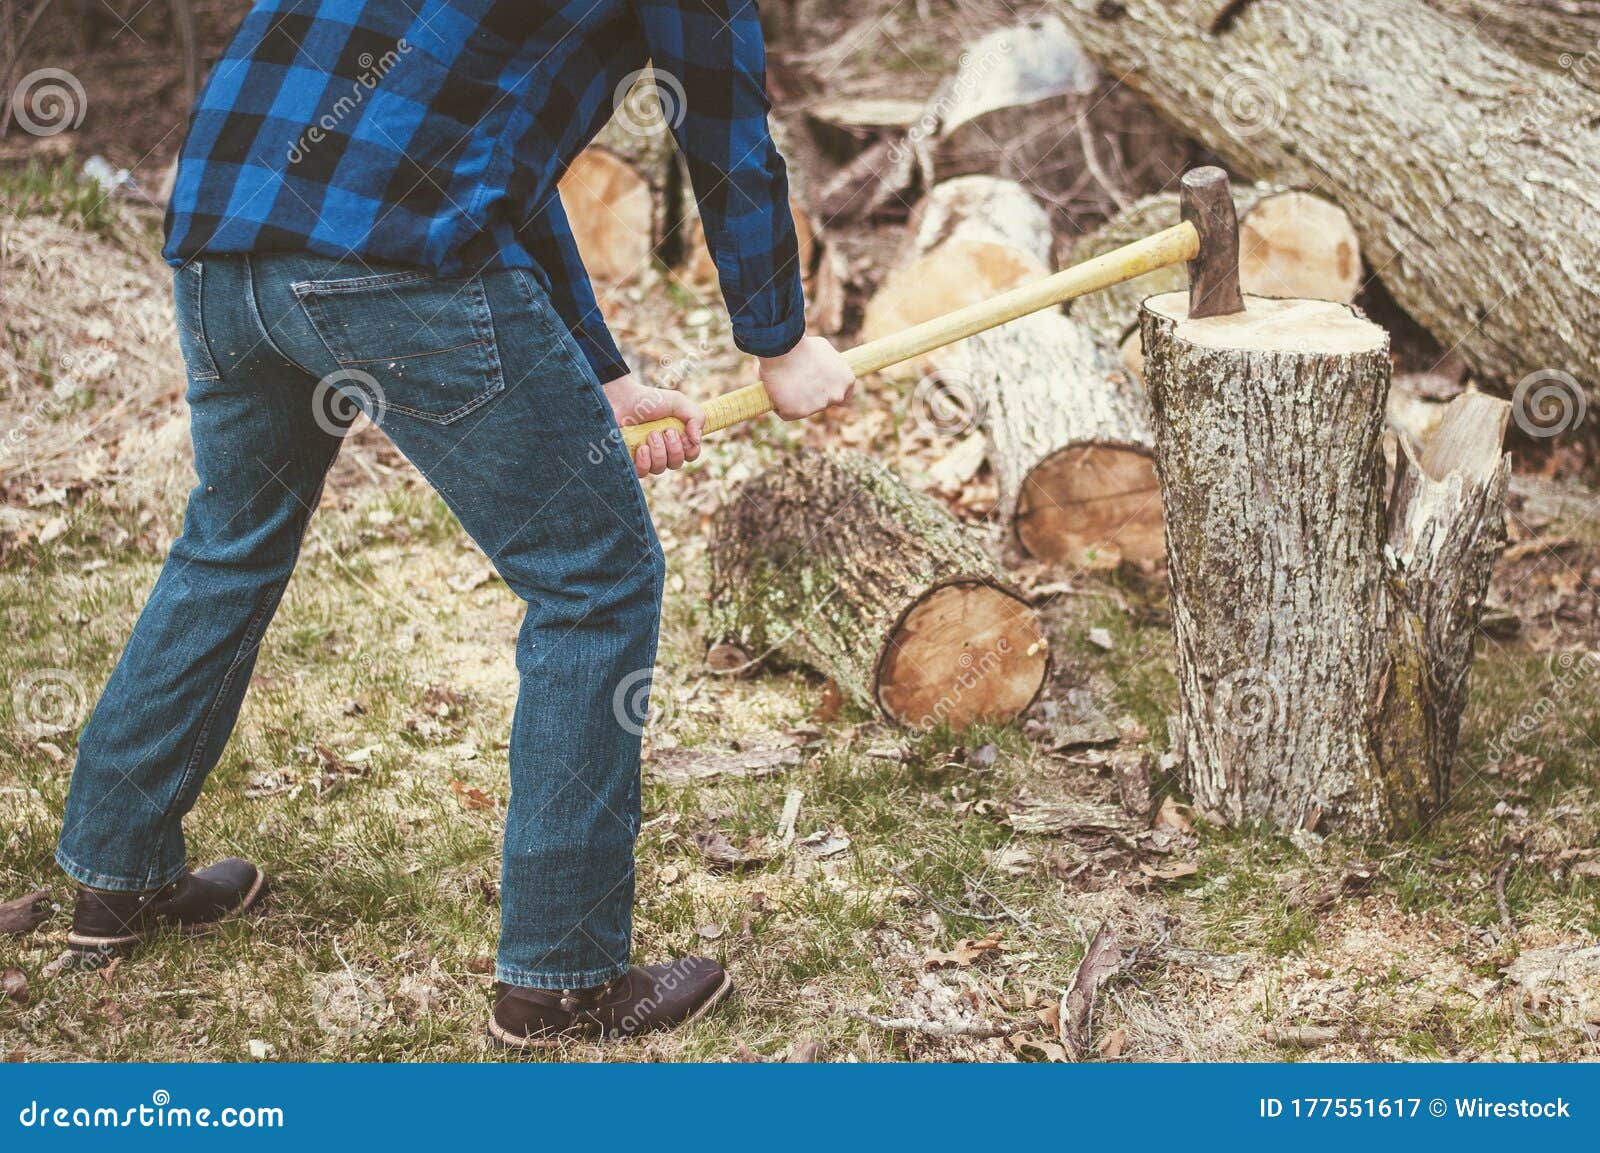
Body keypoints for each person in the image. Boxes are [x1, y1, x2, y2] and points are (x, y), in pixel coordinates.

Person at [54, 0, 854, 1048]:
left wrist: (603, 371)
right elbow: (722, 120)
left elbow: (474, 155)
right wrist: (780, 340)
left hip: (221, 233)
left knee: (229, 540)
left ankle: (116, 876)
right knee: (594, 580)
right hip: (380, 254)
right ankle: (560, 980)